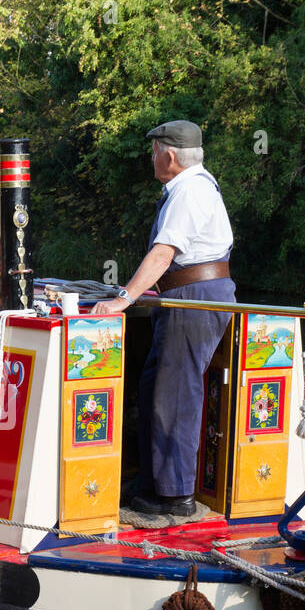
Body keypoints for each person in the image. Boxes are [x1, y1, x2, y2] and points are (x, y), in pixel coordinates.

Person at [92, 119, 235, 516]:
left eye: (153, 150)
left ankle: (175, 496)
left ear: (169, 155)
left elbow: (163, 252)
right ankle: (153, 481)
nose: (151, 157)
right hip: (188, 293)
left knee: (176, 393)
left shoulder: (188, 191)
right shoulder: (195, 186)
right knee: (158, 384)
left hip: (194, 297)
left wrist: (124, 298)